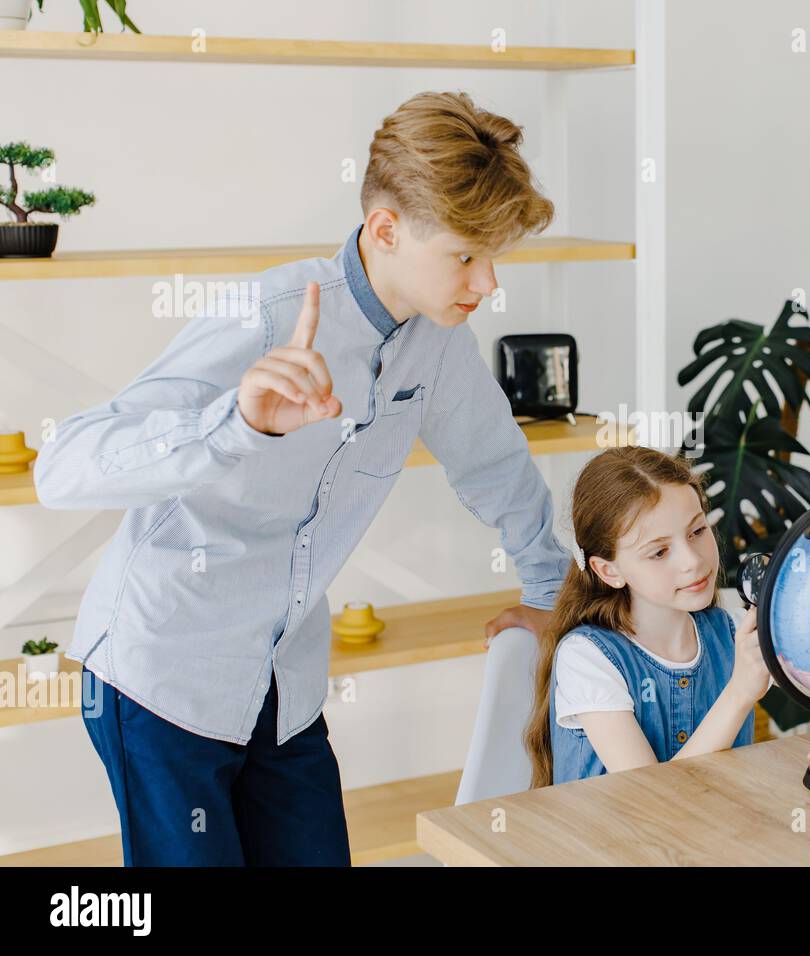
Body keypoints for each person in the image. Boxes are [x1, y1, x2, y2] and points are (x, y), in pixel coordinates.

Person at [34, 91, 570, 865]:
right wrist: (236, 426)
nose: (486, 281)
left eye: (493, 257)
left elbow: (497, 467)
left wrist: (551, 595)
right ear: (386, 230)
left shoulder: (441, 343)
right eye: (464, 255)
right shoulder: (266, 315)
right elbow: (65, 464)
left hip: (283, 689)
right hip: (163, 680)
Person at [524, 446, 810, 787]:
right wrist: (739, 692)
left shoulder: (733, 628)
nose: (693, 560)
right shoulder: (587, 658)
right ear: (608, 570)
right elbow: (650, 796)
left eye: (697, 531)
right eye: (659, 552)